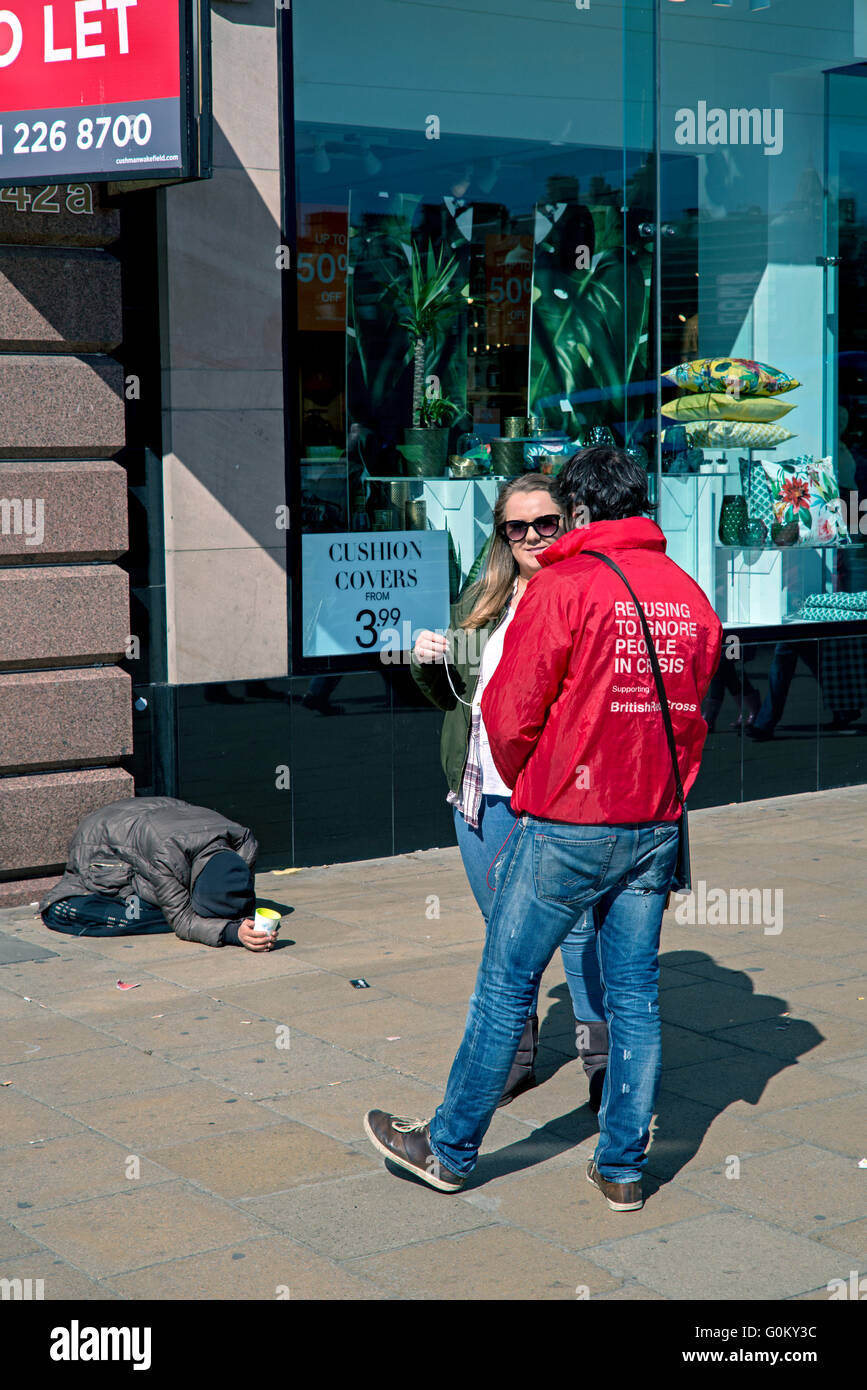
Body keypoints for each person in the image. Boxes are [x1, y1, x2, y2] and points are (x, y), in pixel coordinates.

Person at [364, 447, 722, 1211]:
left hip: (566, 819)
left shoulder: (568, 585)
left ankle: (449, 1149)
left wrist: (533, 785)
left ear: (582, 512)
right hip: (655, 819)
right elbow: (700, 706)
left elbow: (507, 710)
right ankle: (622, 1167)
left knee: (504, 985)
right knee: (635, 995)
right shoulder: (686, 590)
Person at [411, 473, 608, 1109]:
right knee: (503, 932)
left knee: (575, 927)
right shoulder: (485, 596)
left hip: (552, 796)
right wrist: (427, 659)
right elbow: (453, 698)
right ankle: (514, 1060)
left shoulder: (585, 590)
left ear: (569, 519)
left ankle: (602, 1059)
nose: (530, 537)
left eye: (544, 522)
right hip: (479, 790)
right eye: (515, 527)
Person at [40, 797, 276, 951]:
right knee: (62, 912)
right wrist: (232, 933)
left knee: (168, 904)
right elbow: (183, 921)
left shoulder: (245, 844)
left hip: (152, 819)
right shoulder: (168, 855)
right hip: (98, 846)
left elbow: (234, 891)